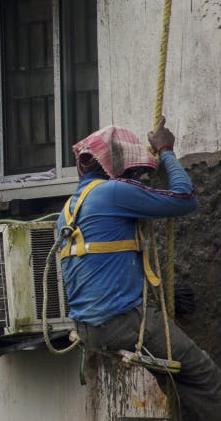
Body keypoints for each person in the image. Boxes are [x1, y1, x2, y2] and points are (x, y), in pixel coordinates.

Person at [57, 118, 221, 419]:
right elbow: (186, 199)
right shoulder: (113, 193)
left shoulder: (69, 208)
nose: (137, 179)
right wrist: (166, 151)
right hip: (122, 322)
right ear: (116, 169)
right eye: (133, 173)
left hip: (88, 328)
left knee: (174, 377)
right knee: (203, 376)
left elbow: (107, 269)